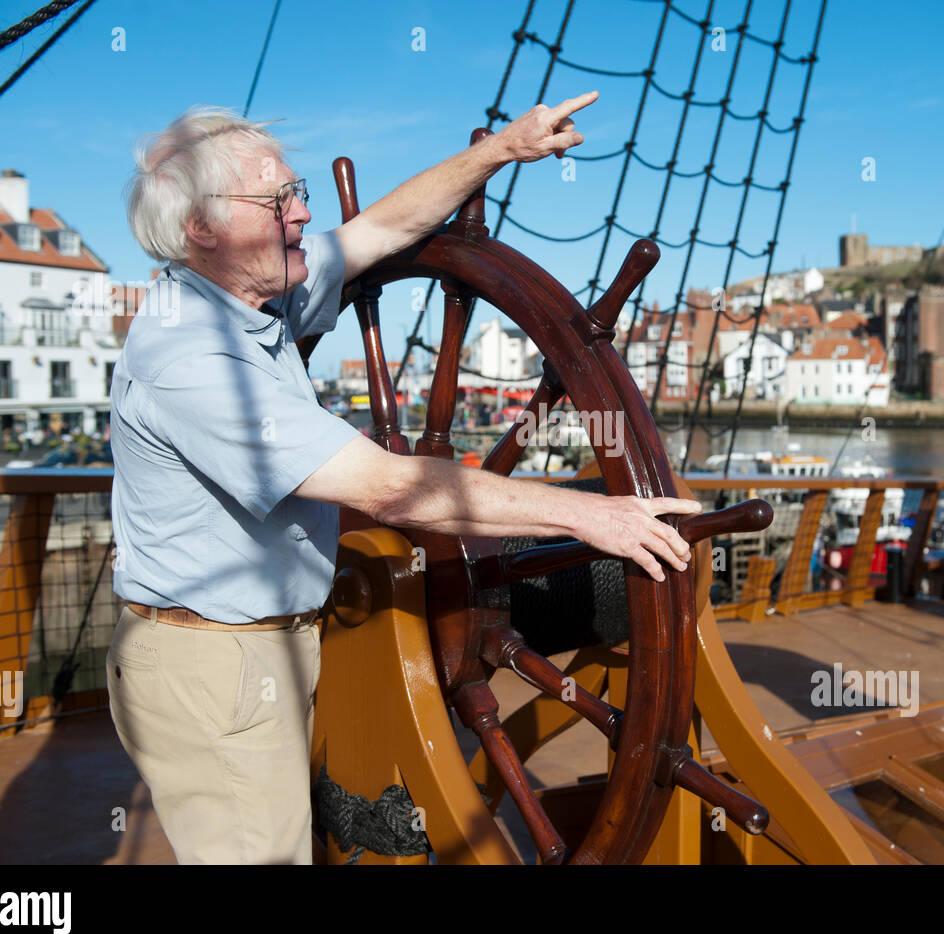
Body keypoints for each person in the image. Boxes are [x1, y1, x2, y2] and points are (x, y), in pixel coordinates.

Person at [107, 97, 699, 865]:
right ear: (202, 229)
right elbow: (387, 489)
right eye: (278, 200)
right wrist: (594, 519)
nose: (302, 213)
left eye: (299, 191)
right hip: (214, 666)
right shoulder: (193, 358)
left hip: (272, 642)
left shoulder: (258, 293)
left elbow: (381, 229)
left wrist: (501, 151)